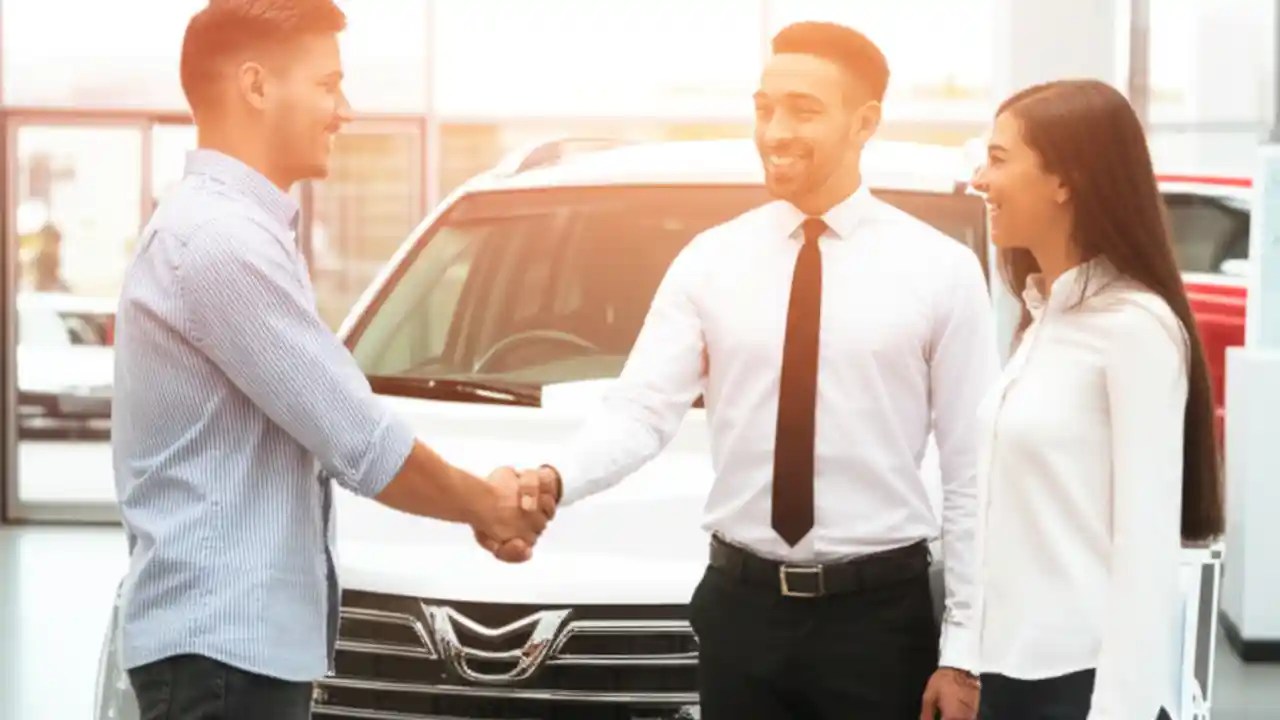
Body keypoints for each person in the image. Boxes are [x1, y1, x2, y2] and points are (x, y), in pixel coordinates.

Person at [485, 21, 999, 720]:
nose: (776, 130)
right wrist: (555, 481)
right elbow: (641, 412)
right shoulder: (710, 261)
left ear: (864, 122)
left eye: (804, 110)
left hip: (880, 623)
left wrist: (962, 651)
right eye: (765, 108)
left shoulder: (941, 270)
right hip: (741, 616)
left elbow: (972, 471)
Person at [111, 2, 555, 718]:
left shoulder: (231, 231)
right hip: (223, 662)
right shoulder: (219, 243)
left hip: (232, 656)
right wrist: (485, 504)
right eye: (327, 85)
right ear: (256, 86)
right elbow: (357, 438)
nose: (343, 111)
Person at [968, 78, 1226, 720]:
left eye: (999, 158)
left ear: (1067, 179)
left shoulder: (1134, 326)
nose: (979, 178)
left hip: (1082, 685)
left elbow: (1146, 552)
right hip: (1011, 671)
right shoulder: (1041, 317)